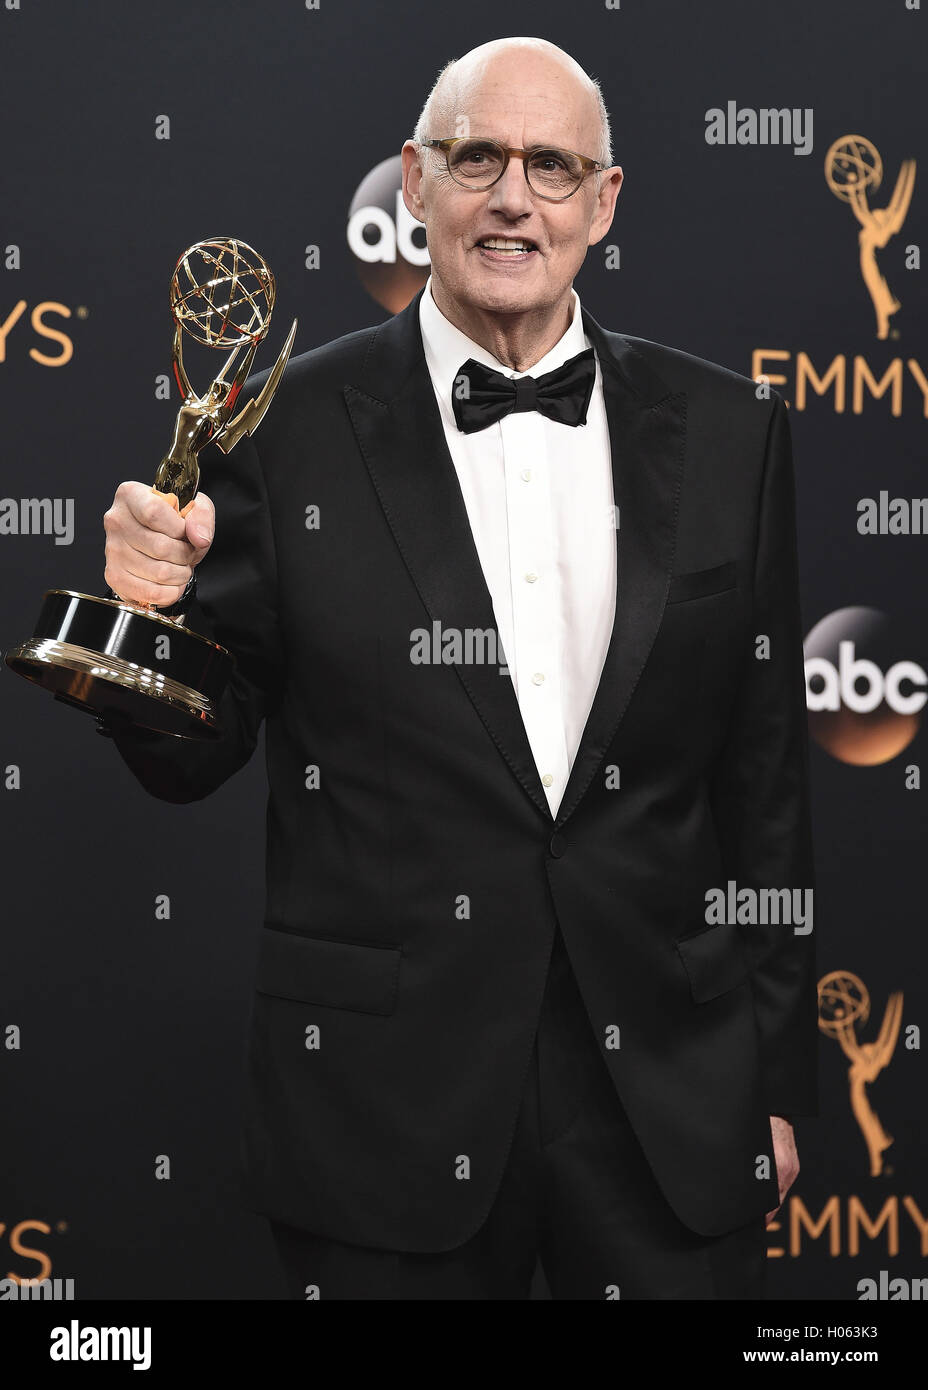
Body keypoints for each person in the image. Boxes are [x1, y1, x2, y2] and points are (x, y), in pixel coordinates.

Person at [101, 36, 816, 1300]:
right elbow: (190, 754)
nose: (511, 198)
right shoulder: (285, 432)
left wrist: (774, 1083)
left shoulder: (729, 433)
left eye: (552, 165)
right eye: (475, 157)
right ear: (413, 183)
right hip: (382, 1104)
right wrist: (146, 621)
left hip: (666, 1102)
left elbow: (763, 797)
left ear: (603, 202)